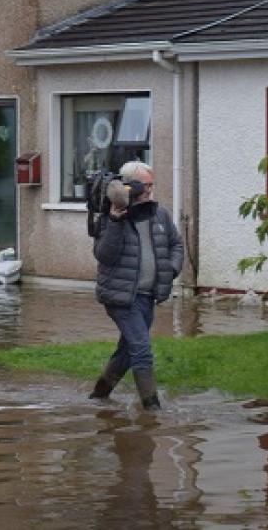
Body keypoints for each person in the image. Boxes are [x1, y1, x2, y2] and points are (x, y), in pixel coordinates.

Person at [89, 161, 184, 411]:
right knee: (142, 349)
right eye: (145, 185)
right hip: (120, 297)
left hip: (146, 296)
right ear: (129, 186)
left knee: (127, 351)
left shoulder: (159, 214)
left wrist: (170, 270)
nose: (149, 190)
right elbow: (104, 255)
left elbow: (176, 244)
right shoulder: (112, 215)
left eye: (152, 185)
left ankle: (99, 396)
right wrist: (115, 221)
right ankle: (152, 410)